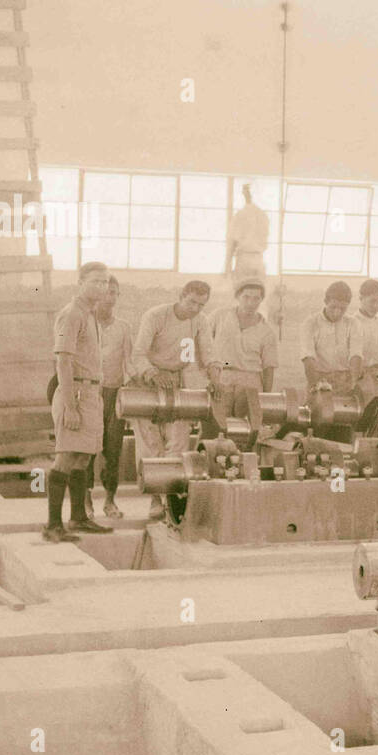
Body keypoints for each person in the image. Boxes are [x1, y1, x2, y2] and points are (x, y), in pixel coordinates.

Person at [129, 281, 221, 520]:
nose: (196, 308)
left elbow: (208, 355)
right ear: (181, 296)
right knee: (150, 445)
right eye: (192, 302)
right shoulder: (156, 316)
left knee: (178, 443)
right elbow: (138, 354)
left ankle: (171, 499)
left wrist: (214, 377)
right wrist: (152, 374)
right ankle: (154, 499)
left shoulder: (200, 321)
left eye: (201, 304)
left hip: (177, 384)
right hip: (147, 383)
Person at [43, 262, 112, 543]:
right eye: (95, 281)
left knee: (83, 457)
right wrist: (70, 406)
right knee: (67, 456)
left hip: (92, 394)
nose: (101, 287)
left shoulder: (91, 315)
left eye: (105, 282)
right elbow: (63, 360)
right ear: (80, 282)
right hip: (77, 394)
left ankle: (78, 518)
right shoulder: (71, 314)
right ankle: (52, 526)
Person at [86, 275, 133, 519]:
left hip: (114, 394)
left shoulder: (123, 327)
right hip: (89, 394)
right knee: (85, 451)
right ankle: (86, 502)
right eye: (106, 292)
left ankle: (110, 501)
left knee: (112, 452)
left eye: (115, 293)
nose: (110, 298)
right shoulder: (83, 322)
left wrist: (133, 385)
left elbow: (130, 362)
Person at [209, 278, 278, 441]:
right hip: (222, 377)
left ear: (261, 300)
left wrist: (265, 398)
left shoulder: (266, 331)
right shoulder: (219, 316)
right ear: (238, 297)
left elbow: (269, 367)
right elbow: (203, 343)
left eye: (256, 298)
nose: (251, 302)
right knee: (216, 428)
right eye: (246, 297)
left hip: (250, 382)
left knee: (246, 432)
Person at [301, 281, 362, 391]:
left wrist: (354, 383)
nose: (337, 313)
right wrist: (316, 385)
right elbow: (308, 357)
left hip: (346, 381)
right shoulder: (310, 323)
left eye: (343, 309)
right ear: (325, 301)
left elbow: (356, 355)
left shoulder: (353, 323)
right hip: (318, 378)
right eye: (333, 307)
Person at [353, 278, 378, 402]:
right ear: (361, 298)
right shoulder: (351, 324)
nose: (376, 306)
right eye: (372, 301)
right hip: (359, 382)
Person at [226, 184, 270, 282]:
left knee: (242, 290)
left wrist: (227, 266)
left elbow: (232, 243)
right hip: (258, 259)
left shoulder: (240, 215)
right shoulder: (263, 216)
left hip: (244, 258)